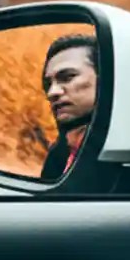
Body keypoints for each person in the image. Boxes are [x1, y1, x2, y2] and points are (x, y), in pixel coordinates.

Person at [39, 33, 98, 180]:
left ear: (106, 77)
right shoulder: (58, 155)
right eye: (48, 85)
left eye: (67, 77)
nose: (52, 93)